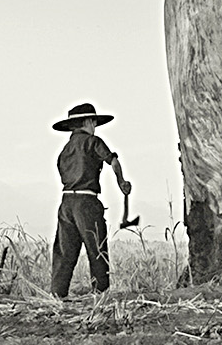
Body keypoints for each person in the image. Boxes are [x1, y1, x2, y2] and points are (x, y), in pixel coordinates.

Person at [49, 102, 131, 298]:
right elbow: (113, 161)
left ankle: (57, 296)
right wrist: (122, 182)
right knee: (97, 249)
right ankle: (100, 295)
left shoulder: (65, 150)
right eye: (93, 122)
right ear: (87, 122)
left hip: (66, 202)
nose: (94, 127)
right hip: (87, 202)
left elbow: (63, 173)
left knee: (64, 252)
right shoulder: (94, 142)